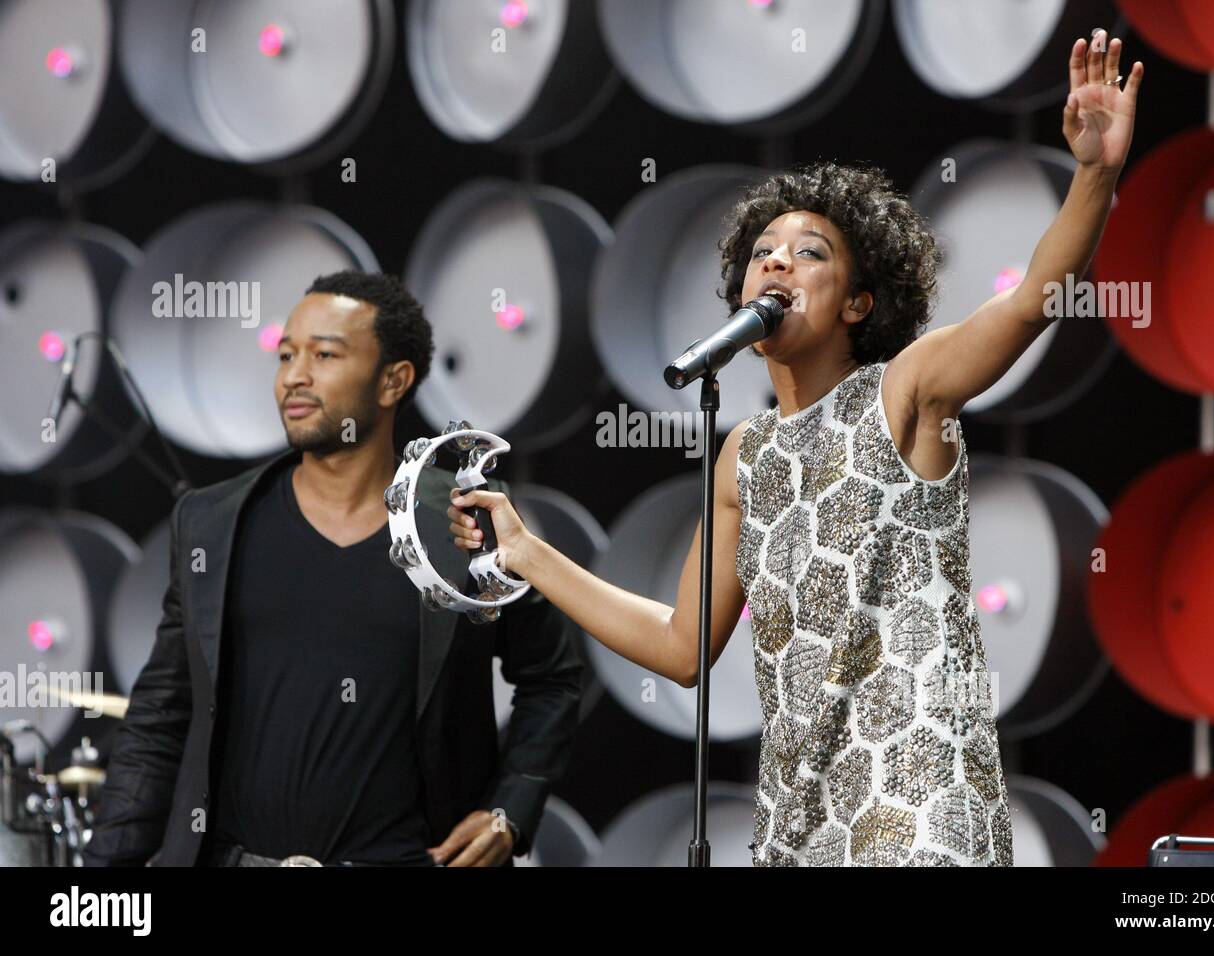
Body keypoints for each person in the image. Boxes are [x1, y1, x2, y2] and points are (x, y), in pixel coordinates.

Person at [447, 33, 1143, 866]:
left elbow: (1031, 303)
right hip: (798, 824)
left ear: (857, 303)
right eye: (761, 251)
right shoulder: (745, 454)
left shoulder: (904, 391)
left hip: (921, 811)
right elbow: (681, 646)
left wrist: (1096, 177)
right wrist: (527, 553)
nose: (775, 257)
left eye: (809, 253)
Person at [84, 270, 583, 867]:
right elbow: (160, 716)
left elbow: (551, 676)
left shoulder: (463, 520)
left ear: (393, 381)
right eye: (286, 354)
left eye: (324, 354)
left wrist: (512, 809)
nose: (295, 375)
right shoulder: (212, 523)